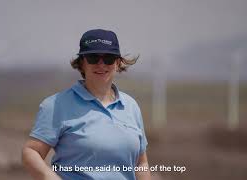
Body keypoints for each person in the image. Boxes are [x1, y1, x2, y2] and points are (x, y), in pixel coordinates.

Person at [22, 29, 151, 180]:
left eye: (108, 58)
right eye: (93, 57)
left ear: (117, 63)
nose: (101, 64)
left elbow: (141, 163)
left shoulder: (131, 106)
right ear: (82, 63)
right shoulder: (56, 105)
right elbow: (31, 152)